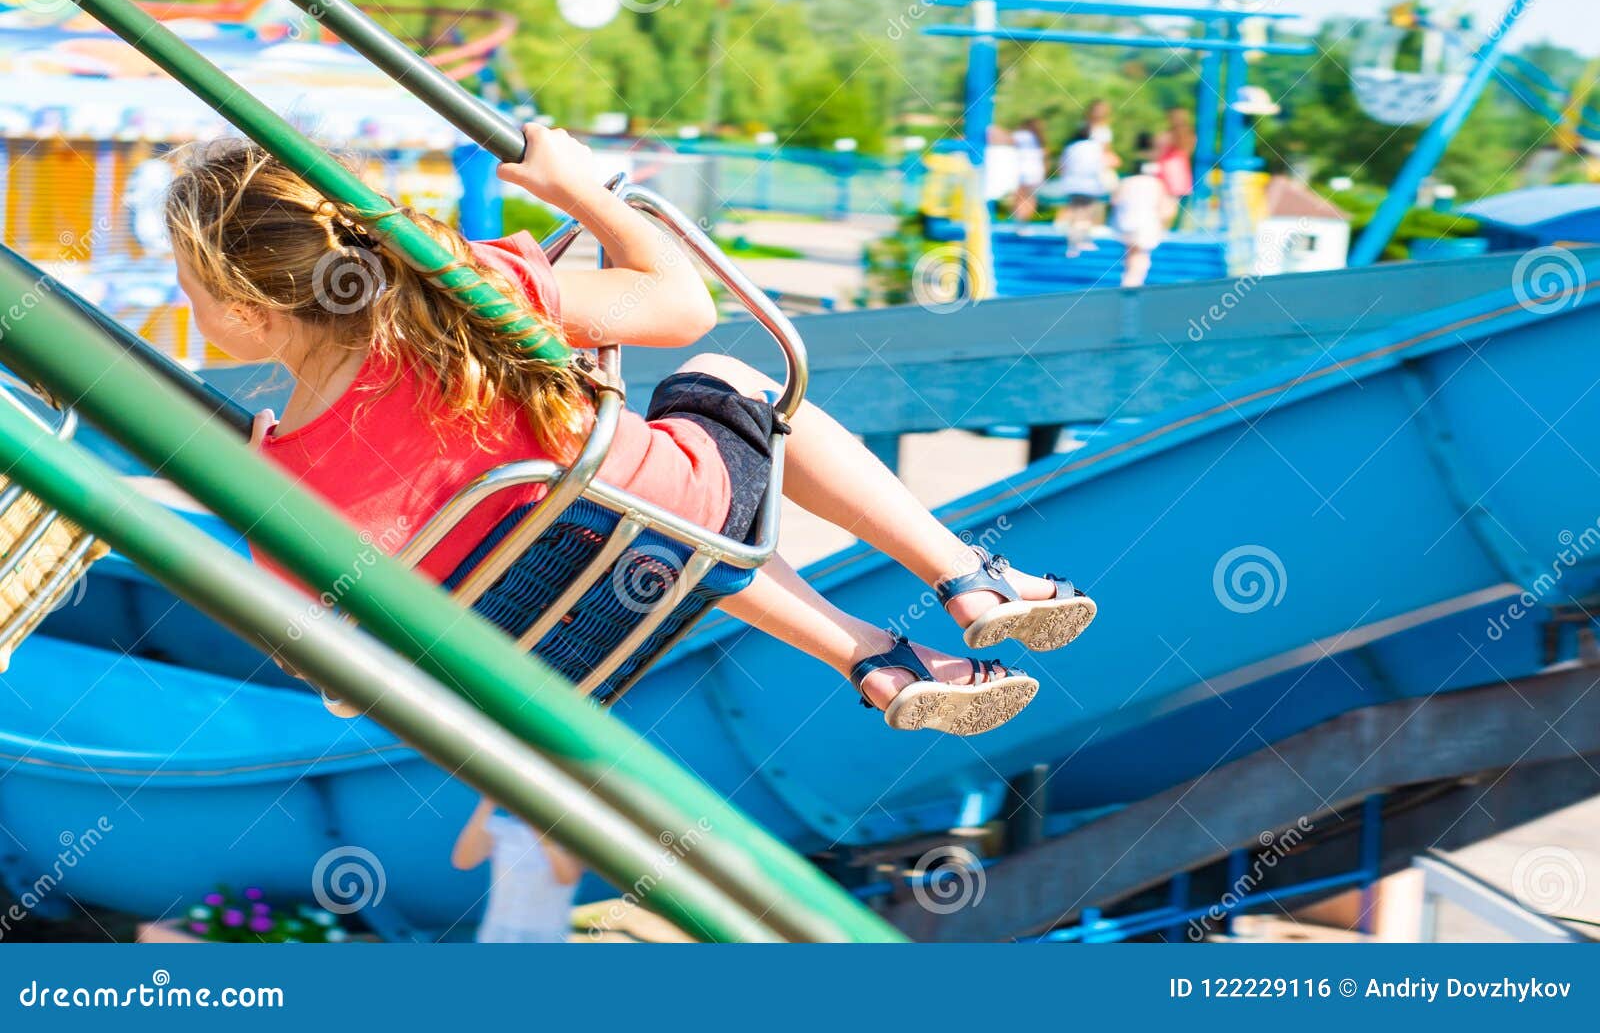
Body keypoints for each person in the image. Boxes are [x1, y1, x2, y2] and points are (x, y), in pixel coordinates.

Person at [162, 131, 1098, 738]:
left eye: (187, 279)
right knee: (719, 395)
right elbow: (679, 306)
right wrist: (588, 196)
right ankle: (965, 575)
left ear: (245, 308)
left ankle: (873, 656)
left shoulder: (271, 478)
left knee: (620, 519)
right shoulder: (468, 292)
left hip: (523, 658)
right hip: (653, 526)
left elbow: (320, 659)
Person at [452, 799, 582, 943]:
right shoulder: (500, 827)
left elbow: (567, 878)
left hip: (547, 936)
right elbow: (463, 862)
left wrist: (536, 825)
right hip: (497, 935)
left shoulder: (571, 832)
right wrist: (488, 802)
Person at [1111, 133, 1177, 288]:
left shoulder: (1126, 182)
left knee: (1131, 253)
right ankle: (1132, 283)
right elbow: (1165, 208)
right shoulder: (1156, 184)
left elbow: (1115, 201)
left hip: (1125, 223)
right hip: (1145, 224)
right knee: (1140, 255)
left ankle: (1129, 280)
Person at [1052, 125, 1116, 256]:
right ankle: (1081, 240)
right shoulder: (1095, 148)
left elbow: (1062, 166)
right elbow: (1101, 166)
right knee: (1086, 214)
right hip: (1089, 184)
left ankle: (1073, 244)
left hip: (1072, 184)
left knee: (1075, 213)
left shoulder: (1071, 147)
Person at [1010, 119, 1048, 222]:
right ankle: (1025, 219)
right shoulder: (1039, 139)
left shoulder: (1022, 135)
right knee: (1031, 197)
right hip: (1036, 173)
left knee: (1019, 197)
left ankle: (1019, 220)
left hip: (1023, 170)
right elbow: (1045, 157)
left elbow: (1010, 141)